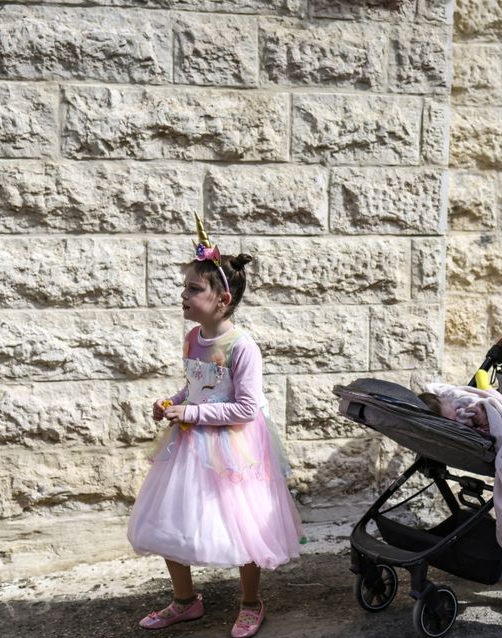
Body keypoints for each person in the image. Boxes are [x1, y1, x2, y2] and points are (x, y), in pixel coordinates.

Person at [128, 218, 303, 637]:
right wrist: (173, 402)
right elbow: (196, 386)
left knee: (242, 524)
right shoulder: (192, 337)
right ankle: (185, 601)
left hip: (234, 448)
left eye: (193, 288)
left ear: (222, 299)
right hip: (190, 445)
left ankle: (249, 601)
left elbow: (244, 408)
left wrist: (190, 414)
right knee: (169, 518)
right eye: (185, 286)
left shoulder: (243, 347)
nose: (183, 294)